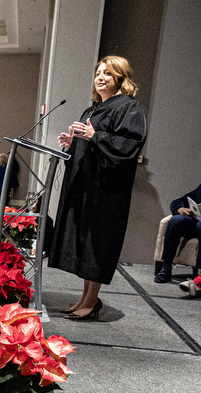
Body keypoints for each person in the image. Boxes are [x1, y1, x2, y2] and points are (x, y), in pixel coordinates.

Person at [51, 55, 148, 320]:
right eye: (98, 73)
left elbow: (128, 146)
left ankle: (92, 300)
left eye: (107, 73)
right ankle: (85, 296)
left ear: (120, 78)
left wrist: (95, 137)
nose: (101, 77)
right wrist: (74, 144)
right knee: (84, 242)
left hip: (107, 192)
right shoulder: (91, 110)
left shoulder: (129, 108)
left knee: (98, 244)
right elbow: (90, 145)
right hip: (86, 188)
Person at [154, 180, 201, 284]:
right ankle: (165, 269)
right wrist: (180, 208)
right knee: (176, 220)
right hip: (196, 224)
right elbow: (179, 201)